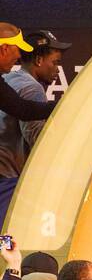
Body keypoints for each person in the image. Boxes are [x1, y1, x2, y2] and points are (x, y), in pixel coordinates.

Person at [0, 26, 56, 192]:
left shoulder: (6, 79)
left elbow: (22, 109)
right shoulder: (31, 87)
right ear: (4, 49)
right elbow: (25, 112)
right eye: (17, 50)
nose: (19, 57)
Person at [2, 29, 67, 157]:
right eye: (55, 63)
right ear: (38, 60)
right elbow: (40, 143)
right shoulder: (32, 88)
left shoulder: (9, 79)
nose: (58, 70)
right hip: (10, 175)